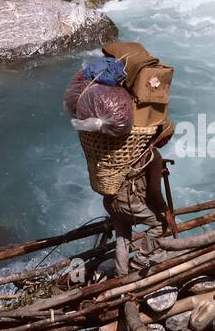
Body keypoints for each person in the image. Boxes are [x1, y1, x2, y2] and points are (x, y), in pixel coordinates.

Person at [65, 42, 177, 270]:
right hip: (128, 202)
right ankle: (139, 263)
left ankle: (121, 272)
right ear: (160, 138)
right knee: (157, 226)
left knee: (122, 236)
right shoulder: (150, 156)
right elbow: (155, 195)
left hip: (111, 200)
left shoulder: (125, 147)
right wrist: (167, 215)